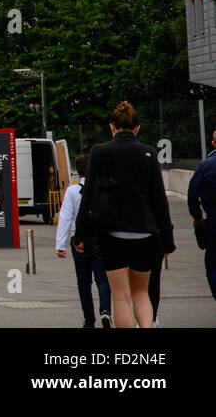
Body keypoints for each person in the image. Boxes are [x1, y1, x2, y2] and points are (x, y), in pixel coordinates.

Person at [73, 101, 175, 329]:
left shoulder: (99, 152)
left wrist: (79, 235)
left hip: (113, 233)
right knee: (141, 292)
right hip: (145, 233)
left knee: (120, 296)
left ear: (112, 126)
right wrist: (167, 239)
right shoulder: (148, 152)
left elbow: (87, 196)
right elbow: (160, 200)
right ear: (137, 127)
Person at [57, 153, 112, 328]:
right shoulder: (103, 188)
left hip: (79, 239)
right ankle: (105, 311)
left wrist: (60, 244)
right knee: (103, 279)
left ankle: (89, 319)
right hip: (101, 239)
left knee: (84, 282)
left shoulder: (72, 191)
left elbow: (65, 217)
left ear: (78, 171)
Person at [188, 128, 216, 302]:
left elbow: (192, 194)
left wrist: (197, 217)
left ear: (213, 143)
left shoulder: (205, 165)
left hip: (214, 220)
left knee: (212, 264)